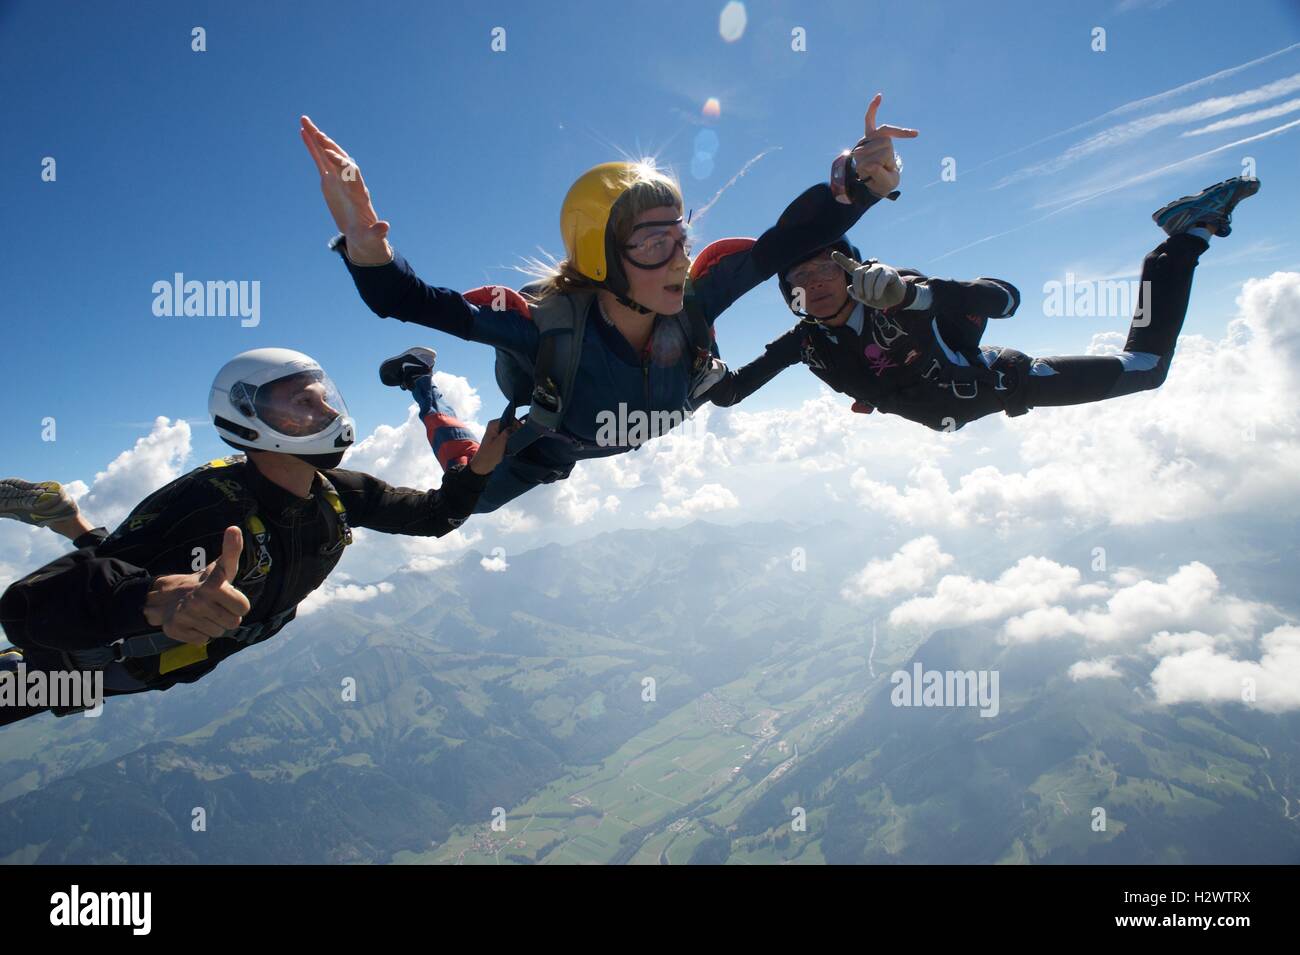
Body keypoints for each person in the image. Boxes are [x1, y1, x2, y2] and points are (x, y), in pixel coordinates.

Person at [299, 95, 918, 511]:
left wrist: (856, 188)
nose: (678, 259)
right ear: (601, 259)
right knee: (463, 491)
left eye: (681, 239)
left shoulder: (696, 305)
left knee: (720, 386)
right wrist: (363, 243)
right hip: (546, 450)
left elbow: (789, 240)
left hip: (633, 409)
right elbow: (408, 302)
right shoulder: (546, 330)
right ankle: (421, 384)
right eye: (652, 243)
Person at [0, 348, 512, 725]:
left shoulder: (335, 492)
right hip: (88, 660)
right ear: (250, 420)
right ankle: (66, 519)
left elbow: (434, 517)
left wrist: (478, 471)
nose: (328, 412)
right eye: (302, 403)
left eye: (323, 398)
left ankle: (68, 518)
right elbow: (28, 609)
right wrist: (153, 599)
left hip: (177, 660)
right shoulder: (207, 505)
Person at [704, 177, 1260, 431]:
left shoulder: (897, 294)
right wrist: (687, 333)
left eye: (826, 265)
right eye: (798, 274)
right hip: (955, 409)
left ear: (849, 269)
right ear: (788, 295)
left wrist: (914, 297)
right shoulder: (806, 342)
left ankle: (1185, 239)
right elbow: (728, 392)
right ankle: (1192, 233)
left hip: (1010, 385)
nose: (815, 281)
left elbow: (1005, 298)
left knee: (1147, 370)